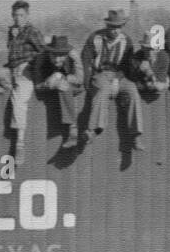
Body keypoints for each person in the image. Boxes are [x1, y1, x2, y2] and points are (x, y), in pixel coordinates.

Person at [82, 10, 142, 149]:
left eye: (118, 27)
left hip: (119, 75)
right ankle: (92, 130)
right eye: (113, 27)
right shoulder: (95, 37)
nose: (115, 31)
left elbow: (127, 66)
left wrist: (117, 78)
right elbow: (85, 60)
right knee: (103, 90)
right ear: (107, 25)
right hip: (101, 73)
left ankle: (136, 134)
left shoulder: (127, 41)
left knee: (133, 90)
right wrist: (87, 83)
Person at [6, 0, 45, 165]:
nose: (18, 18)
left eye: (21, 15)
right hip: (12, 69)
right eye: (15, 15)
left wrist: (32, 66)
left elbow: (43, 51)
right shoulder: (12, 31)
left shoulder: (32, 31)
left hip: (26, 69)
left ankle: (20, 143)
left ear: (27, 16)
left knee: (19, 99)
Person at [31, 35, 84, 152]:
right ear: (48, 53)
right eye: (54, 55)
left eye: (61, 56)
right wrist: (50, 82)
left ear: (67, 54)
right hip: (48, 87)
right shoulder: (41, 59)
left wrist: (64, 76)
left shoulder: (73, 58)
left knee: (63, 85)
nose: (57, 60)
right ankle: (73, 130)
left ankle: (73, 130)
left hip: (70, 86)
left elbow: (80, 82)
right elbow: (37, 86)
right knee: (60, 83)